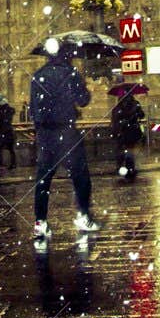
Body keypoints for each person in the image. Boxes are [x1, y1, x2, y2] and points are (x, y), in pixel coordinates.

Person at [30, 43, 100, 242]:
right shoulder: (71, 73)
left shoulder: (38, 75)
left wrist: (39, 129)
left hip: (45, 132)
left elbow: (34, 107)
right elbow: (83, 100)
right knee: (80, 175)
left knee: (43, 179)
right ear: (66, 55)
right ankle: (83, 215)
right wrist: (84, 89)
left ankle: (40, 222)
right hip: (66, 130)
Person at [110, 92, 144, 179]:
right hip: (130, 131)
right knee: (129, 151)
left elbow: (115, 119)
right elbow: (141, 115)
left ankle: (124, 168)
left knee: (124, 151)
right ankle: (129, 169)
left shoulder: (119, 107)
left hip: (124, 132)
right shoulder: (134, 104)